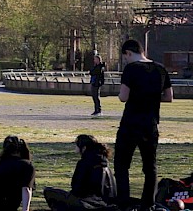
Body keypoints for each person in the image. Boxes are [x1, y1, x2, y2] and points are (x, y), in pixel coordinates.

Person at [114, 38, 172, 210]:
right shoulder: (160, 69)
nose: (126, 60)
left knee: (122, 165)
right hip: (151, 123)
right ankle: (148, 204)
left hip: (131, 123)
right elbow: (169, 97)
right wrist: (152, 97)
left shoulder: (131, 69)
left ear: (129, 53)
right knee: (150, 166)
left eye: (125, 57)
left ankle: (123, 203)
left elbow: (123, 96)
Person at [41, 134, 115, 211]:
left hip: (86, 203)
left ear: (84, 148)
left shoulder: (84, 162)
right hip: (104, 202)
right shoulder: (105, 163)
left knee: (49, 192)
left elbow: (77, 187)